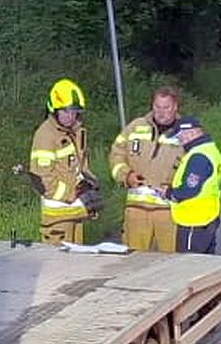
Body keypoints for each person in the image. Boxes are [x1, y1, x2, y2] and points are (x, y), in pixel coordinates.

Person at [108, 85, 185, 252]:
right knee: (134, 263)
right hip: (136, 211)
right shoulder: (136, 127)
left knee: (172, 263)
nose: (161, 112)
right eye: (157, 106)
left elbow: (195, 166)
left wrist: (178, 189)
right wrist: (126, 175)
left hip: (169, 212)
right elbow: (116, 154)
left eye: (166, 107)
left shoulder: (185, 132)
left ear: (175, 107)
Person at [29, 78, 97, 244]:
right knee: (58, 267)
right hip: (57, 218)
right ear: (54, 110)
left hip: (77, 212)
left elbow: (80, 168)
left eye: (74, 112)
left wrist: (90, 192)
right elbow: (42, 180)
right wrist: (72, 193)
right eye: (65, 111)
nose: (70, 116)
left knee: (77, 266)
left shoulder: (77, 131)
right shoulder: (45, 135)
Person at [166, 115, 221, 254]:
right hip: (207, 217)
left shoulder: (198, 156)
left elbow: (189, 190)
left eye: (181, 137)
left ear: (192, 133)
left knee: (189, 267)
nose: (180, 142)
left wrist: (169, 193)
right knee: (205, 264)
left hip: (194, 220)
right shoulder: (210, 150)